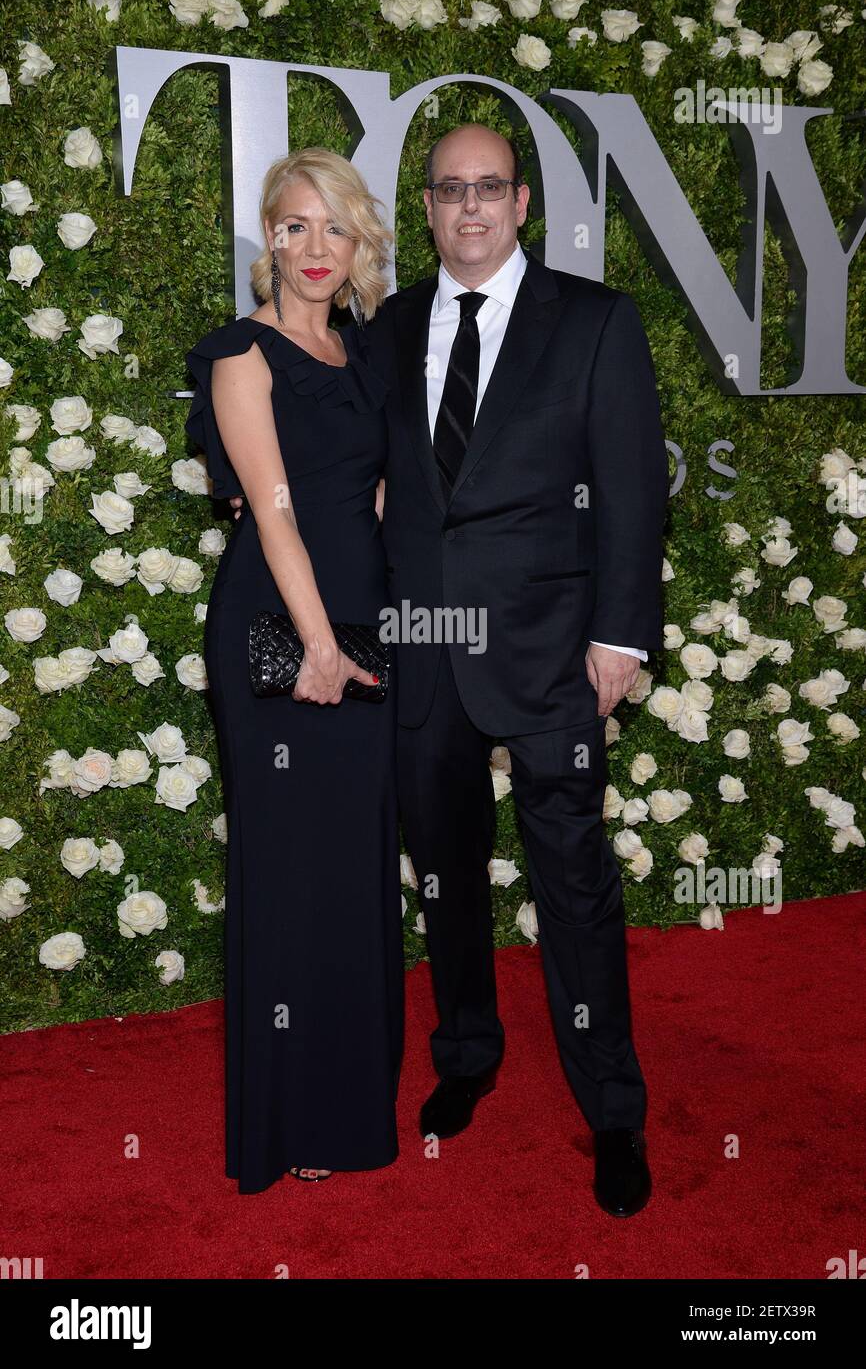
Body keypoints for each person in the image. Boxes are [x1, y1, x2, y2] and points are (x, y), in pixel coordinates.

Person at [359, 123, 669, 1218]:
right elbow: (368, 478)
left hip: (550, 652)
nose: (470, 208)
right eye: (450, 190)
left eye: (489, 188)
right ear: (428, 207)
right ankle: (466, 1052)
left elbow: (631, 489)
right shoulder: (389, 328)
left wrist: (621, 637)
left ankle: (613, 1109)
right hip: (426, 647)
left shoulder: (591, 320)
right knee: (441, 869)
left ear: (522, 202)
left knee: (571, 880)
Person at [185, 148, 403, 1193]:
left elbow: (370, 497)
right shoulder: (242, 353)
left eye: (336, 229)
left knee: (352, 866)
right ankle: (287, 1119)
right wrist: (318, 642)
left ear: (358, 245)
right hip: (280, 627)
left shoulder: (360, 355)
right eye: (294, 226)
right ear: (265, 237)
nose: (315, 249)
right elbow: (270, 510)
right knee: (288, 868)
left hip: (358, 626)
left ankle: (347, 1106)